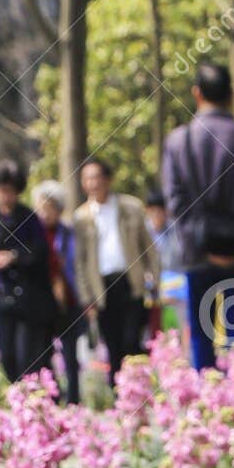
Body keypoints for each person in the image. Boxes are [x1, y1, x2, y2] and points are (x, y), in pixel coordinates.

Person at [160, 61, 234, 370]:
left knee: (200, 336)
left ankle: (207, 407)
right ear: (232, 95)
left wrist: (204, 243)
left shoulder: (178, 141)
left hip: (197, 256)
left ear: (196, 94)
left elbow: (176, 203)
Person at [73, 157, 158, 384]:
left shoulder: (131, 207)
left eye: (96, 177)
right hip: (102, 287)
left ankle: (139, 387)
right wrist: (86, 296)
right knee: (112, 344)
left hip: (131, 281)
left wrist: (155, 280)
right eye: (87, 179)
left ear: (108, 180)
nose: (92, 183)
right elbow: (80, 261)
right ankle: (118, 393)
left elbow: (148, 247)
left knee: (133, 339)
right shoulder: (81, 217)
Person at [0, 159, 56, 385]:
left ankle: (35, 398)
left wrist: (13, 257)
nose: (5, 196)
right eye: (1, 190)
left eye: (10, 191)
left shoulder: (29, 218)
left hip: (30, 299)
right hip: (2, 296)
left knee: (28, 356)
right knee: (7, 353)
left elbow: (41, 252)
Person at [34, 181, 86, 405]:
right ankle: (53, 397)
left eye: (50, 207)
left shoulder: (69, 234)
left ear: (60, 209)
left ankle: (74, 400)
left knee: (70, 355)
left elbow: (77, 265)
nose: (45, 213)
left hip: (69, 301)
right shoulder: (33, 235)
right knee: (43, 354)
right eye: (41, 207)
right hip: (43, 303)